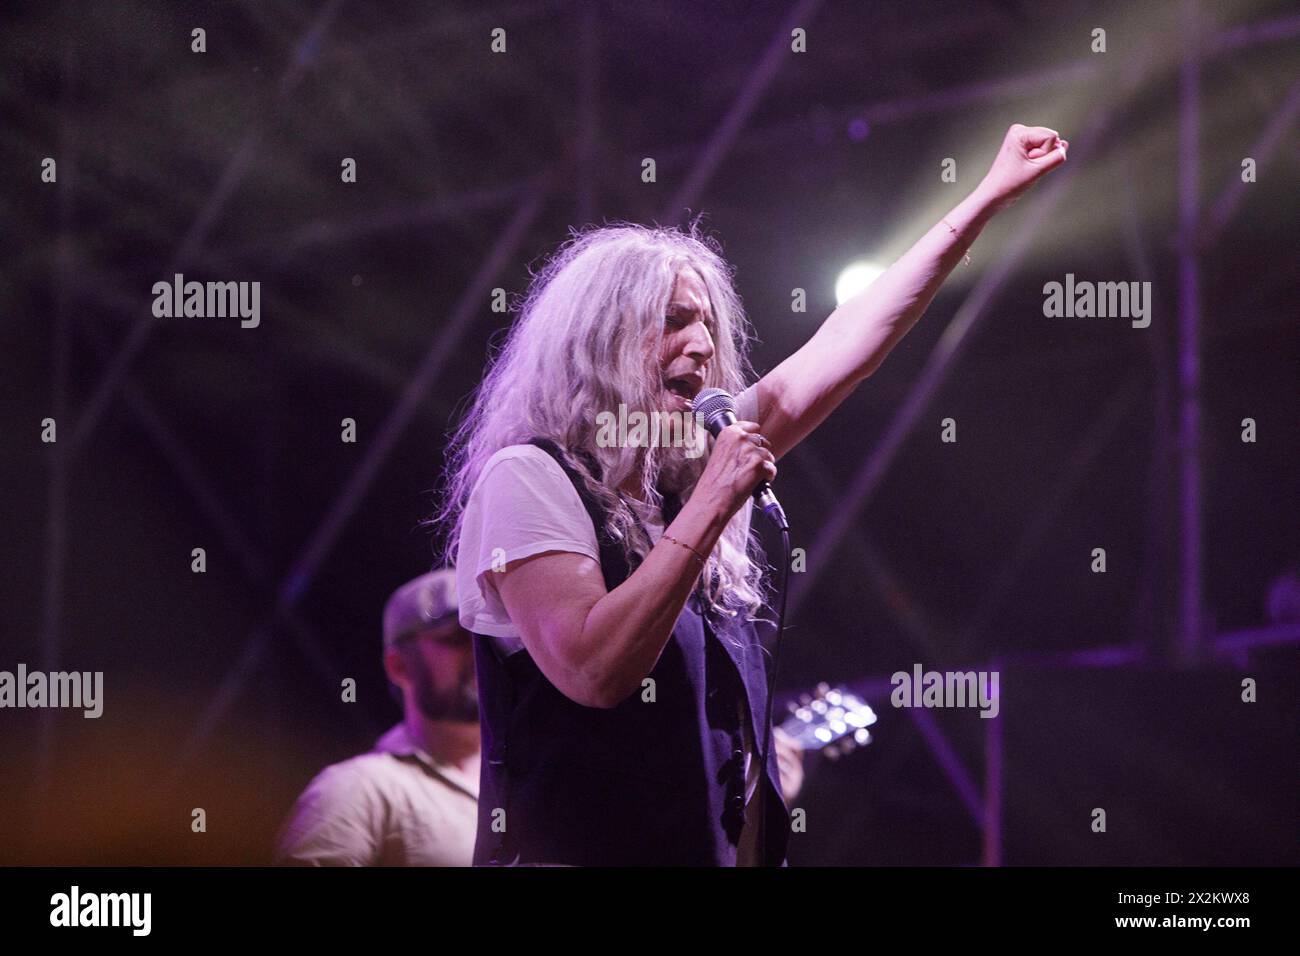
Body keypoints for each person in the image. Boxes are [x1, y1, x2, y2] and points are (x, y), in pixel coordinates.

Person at [437, 124, 1068, 866]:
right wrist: (714, 502)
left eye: (707, 324)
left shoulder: (680, 482)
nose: (703, 348)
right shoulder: (529, 478)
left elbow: (849, 342)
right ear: (598, 342)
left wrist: (984, 200)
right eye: (672, 322)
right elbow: (592, 670)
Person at [275, 569, 480, 866]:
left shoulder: (531, 783)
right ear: (399, 666)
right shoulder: (359, 788)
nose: (480, 653)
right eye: (457, 638)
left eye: (489, 638)